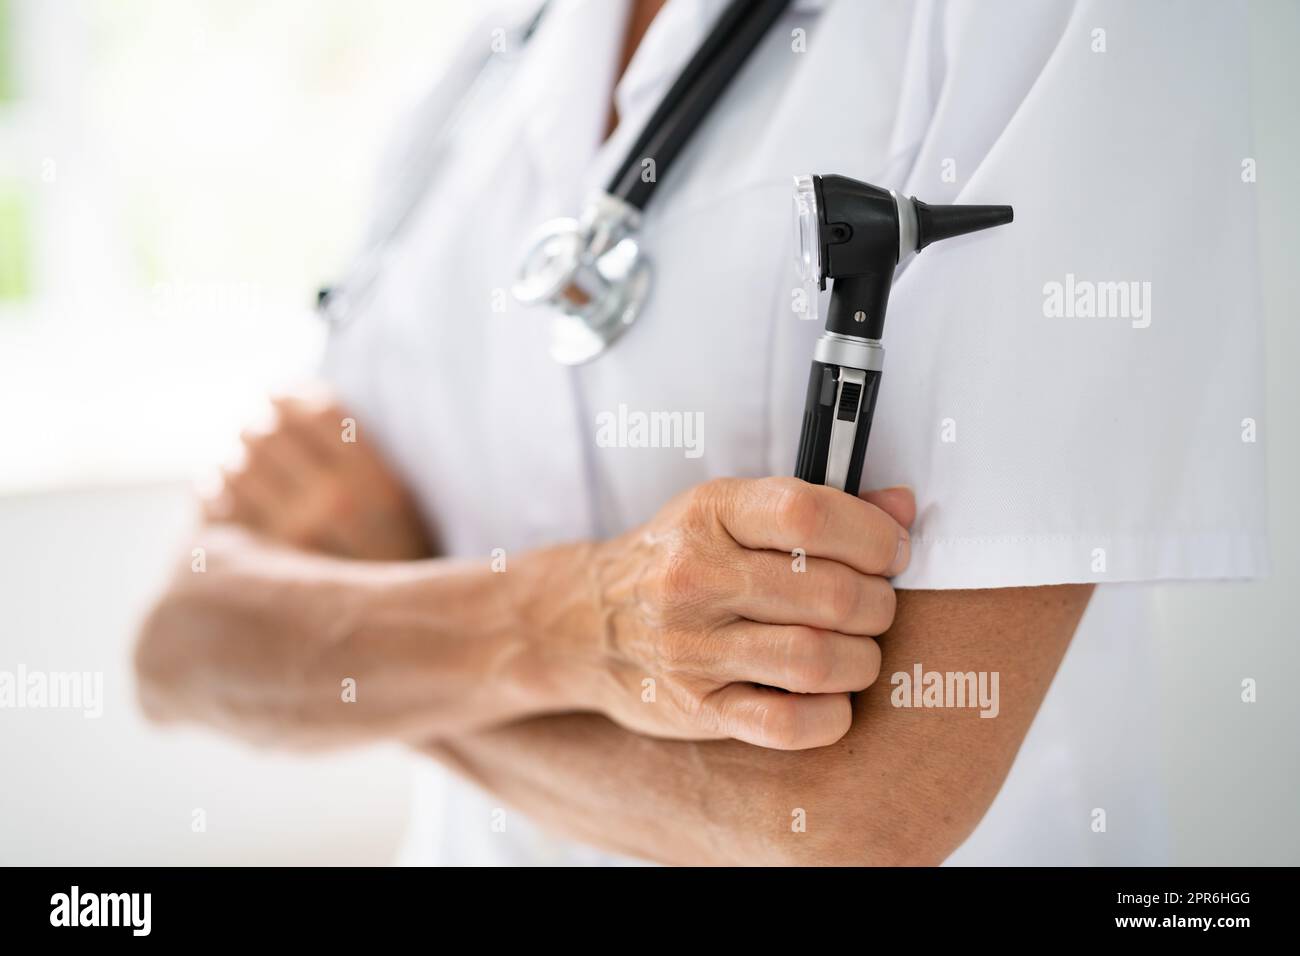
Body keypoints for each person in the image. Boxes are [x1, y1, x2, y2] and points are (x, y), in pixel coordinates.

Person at [135, 0, 1266, 865]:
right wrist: (575, 624)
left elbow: (850, 819)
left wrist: (384, 645)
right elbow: (182, 646)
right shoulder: (472, 71)